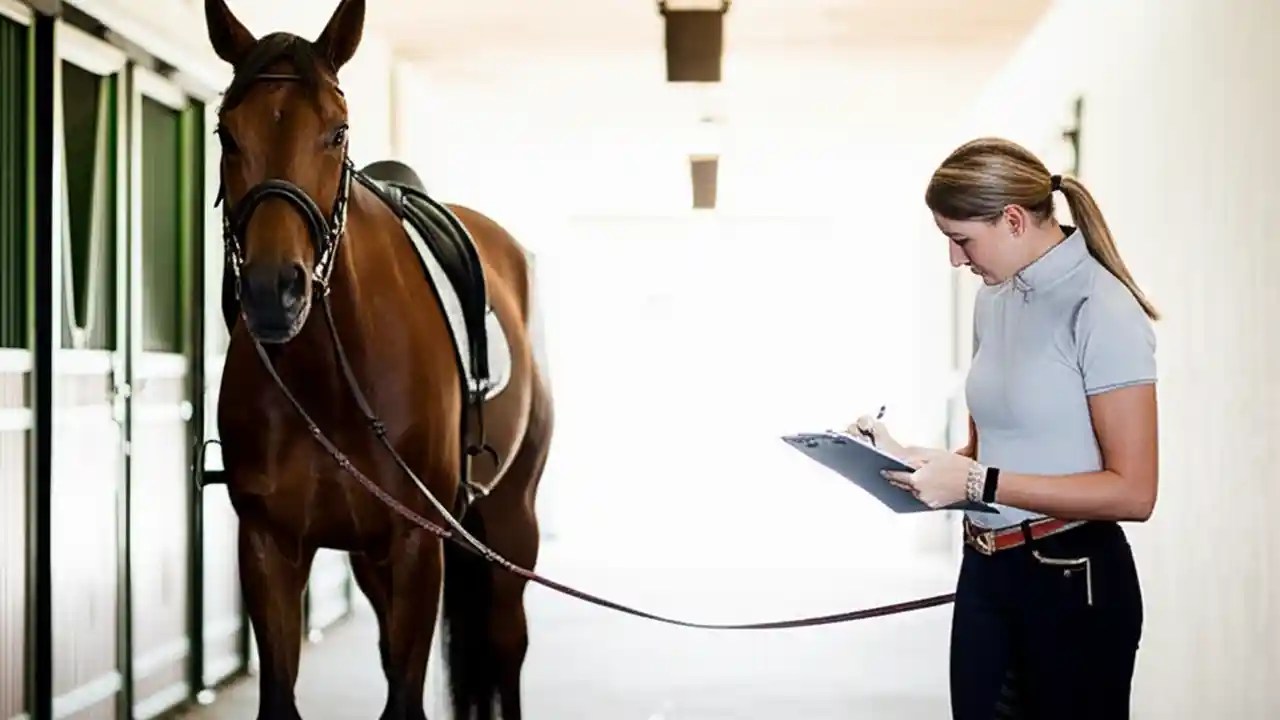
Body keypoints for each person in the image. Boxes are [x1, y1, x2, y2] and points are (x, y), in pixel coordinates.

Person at [851, 137, 1159, 719]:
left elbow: (1134, 492)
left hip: (1074, 580)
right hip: (986, 572)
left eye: (961, 239)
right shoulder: (992, 300)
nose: (955, 259)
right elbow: (986, 453)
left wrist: (977, 485)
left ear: (1014, 220)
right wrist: (905, 457)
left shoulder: (1101, 308)